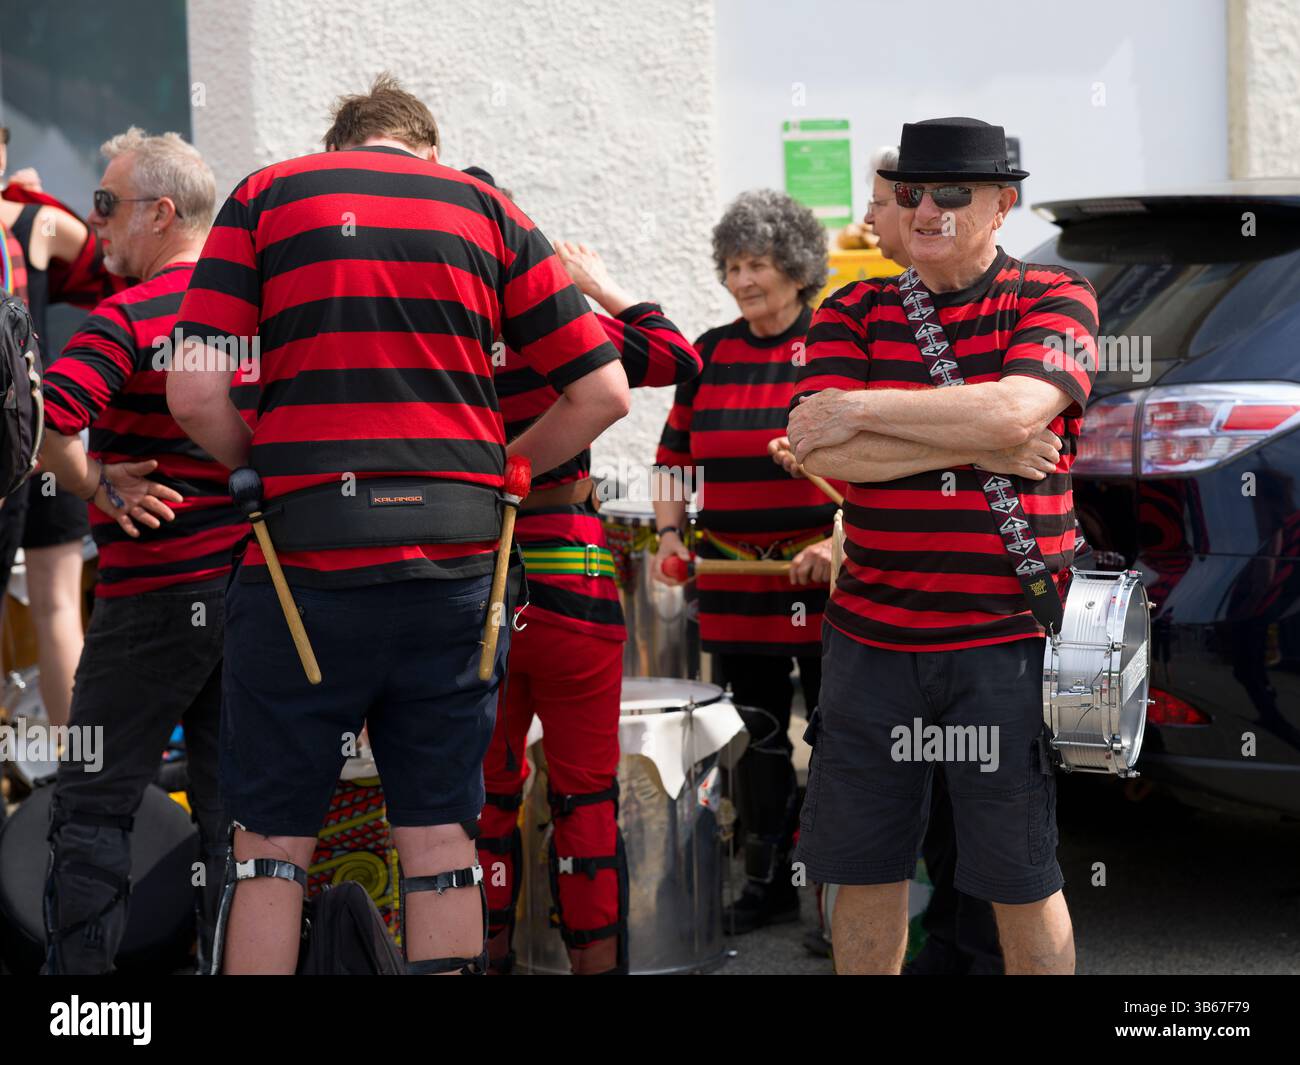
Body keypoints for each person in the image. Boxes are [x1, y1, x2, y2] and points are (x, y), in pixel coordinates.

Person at [168, 74, 630, 975]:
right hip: (457, 568)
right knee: (439, 841)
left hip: (303, 562)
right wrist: (504, 475)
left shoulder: (268, 194)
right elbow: (604, 389)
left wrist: (262, 470)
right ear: (427, 149)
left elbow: (192, 392)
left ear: (337, 149)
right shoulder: (483, 207)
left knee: (270, 844)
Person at [787, 117, 1097, 975]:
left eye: (951, 192)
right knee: (863, 869)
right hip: (870, 640)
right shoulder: (852, 306)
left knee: (1017, 873)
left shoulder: (1055, 296)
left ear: (1004, 203)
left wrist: (862, 406)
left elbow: (1012, 411)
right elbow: (826, 451)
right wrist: (981, 439)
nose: (925, 209)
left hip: (1002, 641)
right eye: (911, 191)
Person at [37, 127, 246, 974]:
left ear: (161, 214)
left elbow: (50, 419)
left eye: (107, 205)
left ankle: (82, 1011)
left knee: (91, 805)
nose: (98, 227)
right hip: (256, 593)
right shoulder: (259, 311)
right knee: (238, 818)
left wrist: (90, 484)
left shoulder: (127, 314)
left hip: (152, 595)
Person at [481, 225, 701, 974]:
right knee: (584, 794)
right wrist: (601, 285)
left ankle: (488, 959)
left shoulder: (428, 330)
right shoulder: (556, 320)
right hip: (570, 573)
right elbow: (677, 356)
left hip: (472, 581)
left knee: (486, 791)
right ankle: (595, 967)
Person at [652, 189, 838, 934]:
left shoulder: (831, 344)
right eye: (732, 266)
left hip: (822, 579)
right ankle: (765, 878)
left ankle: (834, 885)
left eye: (757, 264)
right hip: (734, 580)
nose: (742, 280)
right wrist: (670, 536)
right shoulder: (710, 352)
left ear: (795, 269)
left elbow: (876, 463)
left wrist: (837, 541)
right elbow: (672, 459)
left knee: (835, 730)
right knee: (756, 732)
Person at [0, 126, 119, 730]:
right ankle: (78, 778)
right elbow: (118, 268)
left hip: (21, 449)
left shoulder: (28, 220)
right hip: (43, 435)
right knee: (57, 610)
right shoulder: (31, 222)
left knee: (52, 609)